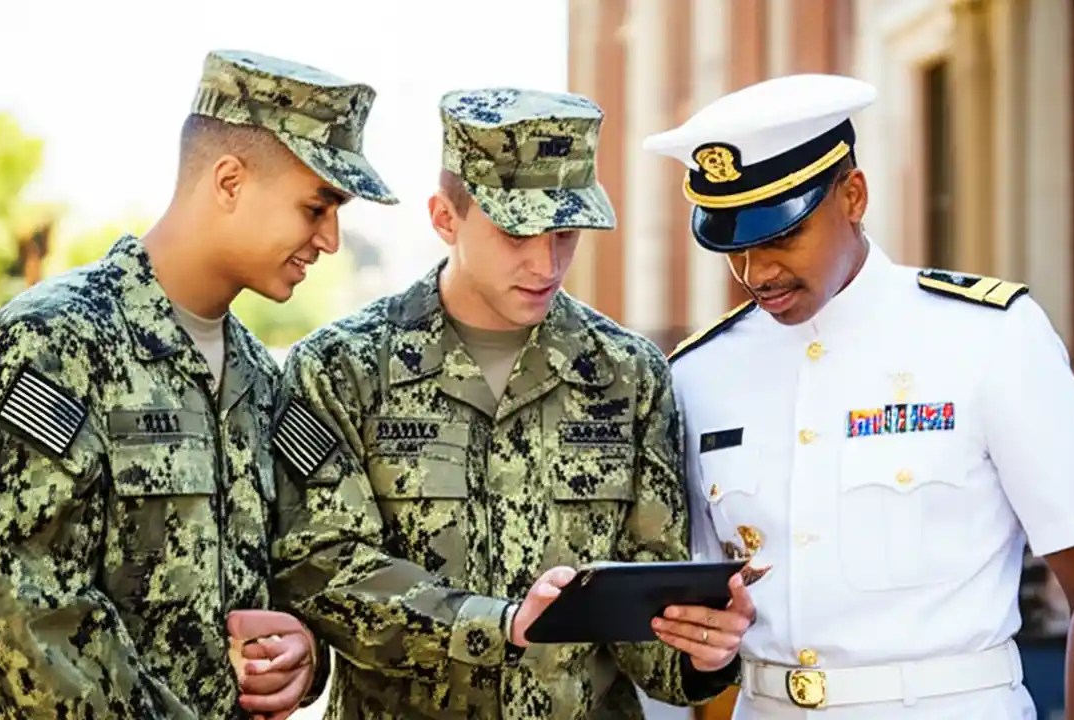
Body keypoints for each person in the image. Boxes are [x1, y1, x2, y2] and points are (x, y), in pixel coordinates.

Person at [643, 74, 1074, 718]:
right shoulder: (700, 372)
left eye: (780, 237)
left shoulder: (989, 337)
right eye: (734, 248)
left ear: (853, 196)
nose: (756, 272)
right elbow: (703, 616)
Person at [0, 49, 397, 719]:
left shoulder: (261, 380)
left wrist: (302, 655)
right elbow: (14, 608)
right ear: (230, 181)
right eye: (316, 207)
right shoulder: (50, 345)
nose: (330, 239)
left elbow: (306, 562)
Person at [268, 87, 752, 719]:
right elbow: (321, 567)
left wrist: (699, 652)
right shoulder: (341, 368)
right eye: (517, 231)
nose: (545, 262)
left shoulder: (628, 374)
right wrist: (496, 625)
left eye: (566, 232)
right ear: (445, 218)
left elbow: (647, 608)